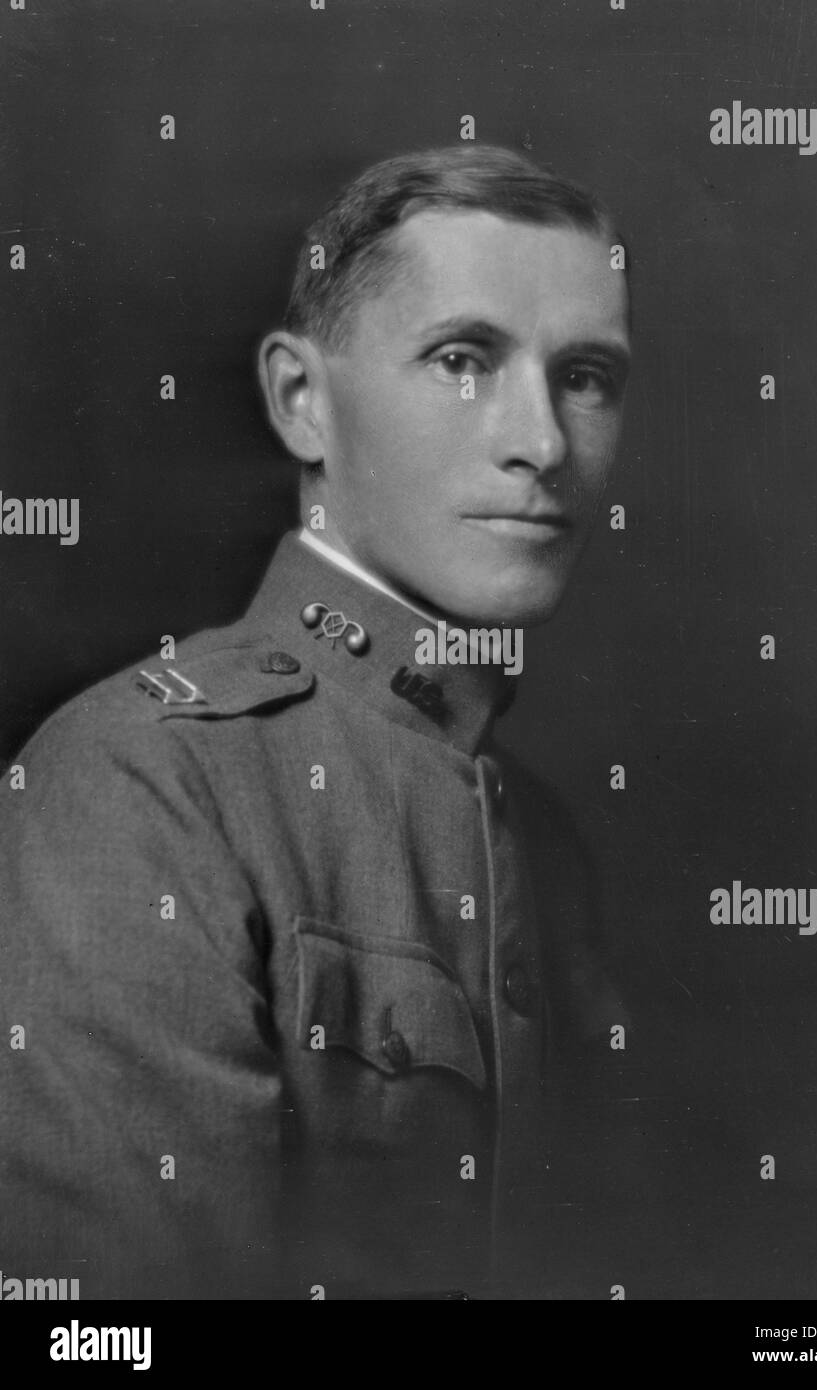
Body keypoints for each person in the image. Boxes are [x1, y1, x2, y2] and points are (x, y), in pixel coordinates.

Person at [0, 145, 633, 1299]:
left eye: (585, 374)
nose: (543, 444)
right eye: (461, 359)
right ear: (303, 402)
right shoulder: (141, 781)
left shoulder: (545, 838)